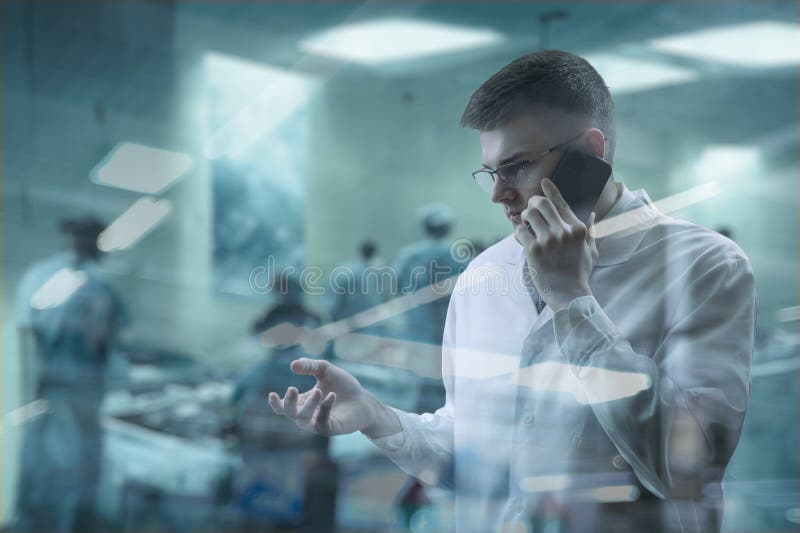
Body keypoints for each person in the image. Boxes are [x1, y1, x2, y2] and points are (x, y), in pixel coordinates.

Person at [266, 50, 755, 533]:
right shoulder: (484, 276)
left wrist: (573, 302)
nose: (499, 194)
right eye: (491, 173)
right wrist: (379, 419)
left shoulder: (704, 266)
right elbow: (477, 453)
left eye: (517, 166)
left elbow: (691, 467)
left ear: (590, 152)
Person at [14, 215, 128, 533]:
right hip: (60, 391)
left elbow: (109, 343)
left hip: (79, 392)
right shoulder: (53, 279)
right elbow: (30, 336)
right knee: (50, 470)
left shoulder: (97, 284)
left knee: (72, 472)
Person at [392, 204, 468, 345]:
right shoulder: (460, 256)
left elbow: (395, 288)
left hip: (416, 328)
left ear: (423, 227)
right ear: (448, 228)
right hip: (448, 329)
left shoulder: (407, 256)